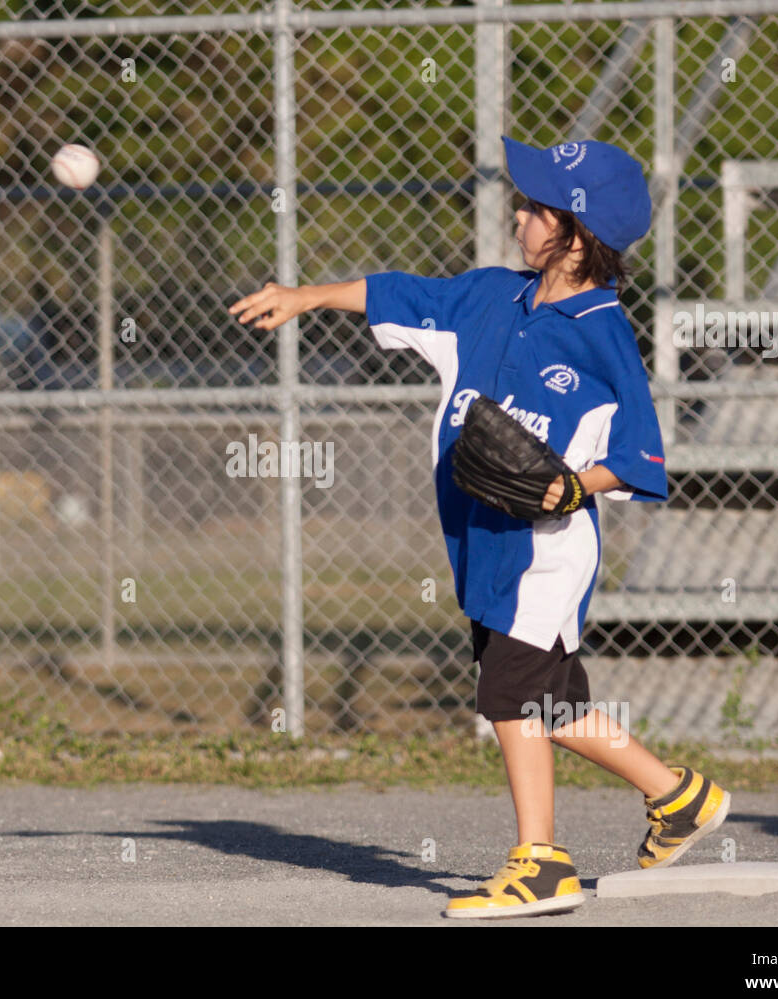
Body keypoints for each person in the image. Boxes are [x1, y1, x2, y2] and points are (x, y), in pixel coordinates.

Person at [229, 137, 730, 919]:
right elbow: (401, 293)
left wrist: (573, 483)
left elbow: (640, 456)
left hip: (545, 551)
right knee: (555, 705)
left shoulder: (603, 334)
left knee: (507, 696)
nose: (520, 216)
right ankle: (680, 798)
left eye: (536, 209)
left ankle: (541, 864)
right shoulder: (491, 297)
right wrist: (306, 296)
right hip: (484, 547)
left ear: (575, 233)